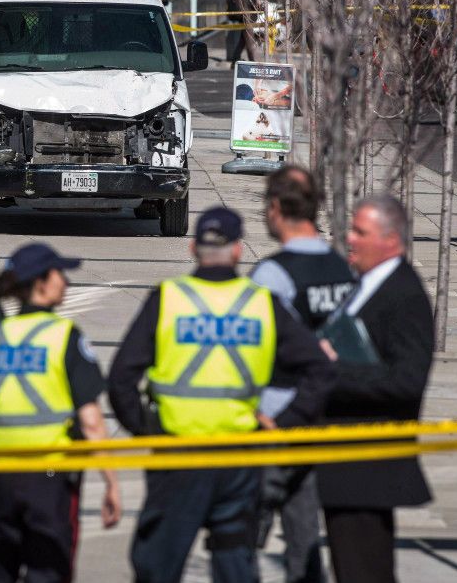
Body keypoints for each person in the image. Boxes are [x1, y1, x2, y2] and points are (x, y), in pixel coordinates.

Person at [108, 206, 335, 583]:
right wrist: (282, 423)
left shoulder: (167, 299)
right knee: (234, 564)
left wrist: (148, 430)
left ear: (193, 248)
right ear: (237, 251)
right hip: (238, 459)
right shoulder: (261, 304)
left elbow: (120, 379)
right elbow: (320, 369)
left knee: (158, 565)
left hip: (177, 457)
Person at [0, 243, 122, 582]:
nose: (65, 282)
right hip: (48, 481)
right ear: (41, 282)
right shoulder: (63, 337)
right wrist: (111, 482)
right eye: (59, 274)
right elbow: (92, 421)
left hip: (0, 478)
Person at [316, 195, 434, 583]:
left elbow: (407, 380)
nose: (349, 238)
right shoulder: (366, 283)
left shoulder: (405, 295)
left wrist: (335, 372)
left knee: (364, 570)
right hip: (345, 464)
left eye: (359, 232)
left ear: (390, 239)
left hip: (368, 466)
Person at [250, 167, 356, 583]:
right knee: (304, 537)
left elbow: (254, 350)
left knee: (240, 539)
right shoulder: (342, 271)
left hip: (275, 419)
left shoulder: (272, 276)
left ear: (276, 209)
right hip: (321, 418)